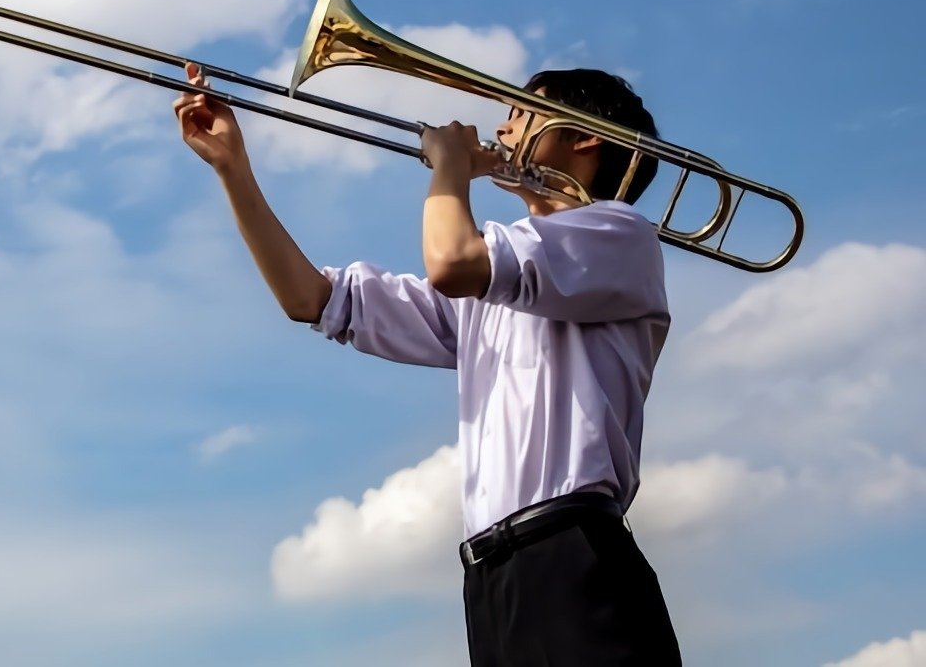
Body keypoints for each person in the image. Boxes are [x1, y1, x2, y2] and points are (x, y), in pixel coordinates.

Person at [173, 61, 682, 666]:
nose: (503, 126)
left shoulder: (618, 232)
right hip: (494, 572)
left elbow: (452, 261)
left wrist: (450, 168)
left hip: (570, 550)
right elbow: (310, 300)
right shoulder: (501, 276)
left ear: (584, 136)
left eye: (522, 112)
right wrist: (233, 169)